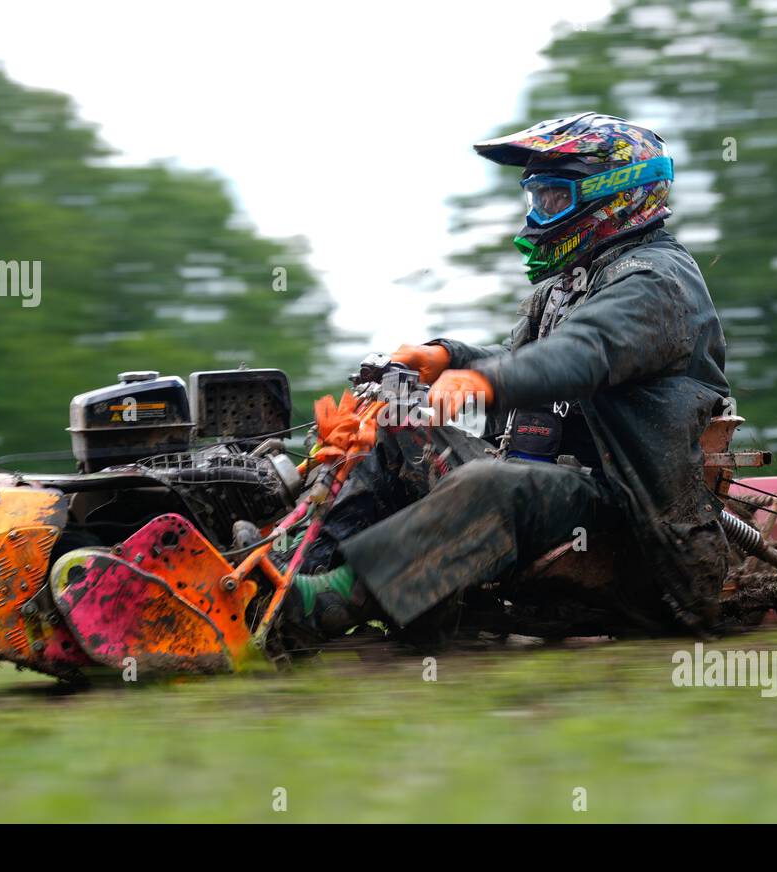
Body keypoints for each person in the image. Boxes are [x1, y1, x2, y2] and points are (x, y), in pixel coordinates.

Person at [284, 112, 731, 642]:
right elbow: (524, 356)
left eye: (554, 199)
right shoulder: (574, 280)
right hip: (548, 483)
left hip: (631, 527)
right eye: (536, 198)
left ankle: (327, 607)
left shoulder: (655, 282)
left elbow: (577, 357)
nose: (539, 215)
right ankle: (290, 584)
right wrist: (448, 357)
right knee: (394, 426)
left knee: (489, 484)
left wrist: (483, 382)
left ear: (617, 196)